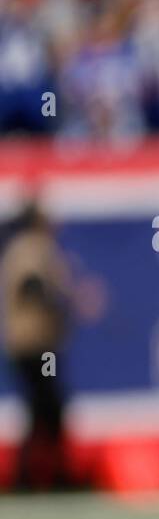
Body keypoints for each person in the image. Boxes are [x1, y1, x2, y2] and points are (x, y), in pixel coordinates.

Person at [1, 203, 72, 489]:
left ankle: (38, 475)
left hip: (34, 345)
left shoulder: (27, 247)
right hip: (37, 347)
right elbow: (31, 285)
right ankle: (44, 476)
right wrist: (60, 302)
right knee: (48, 407)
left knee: (43, 409)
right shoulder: (31, 247)